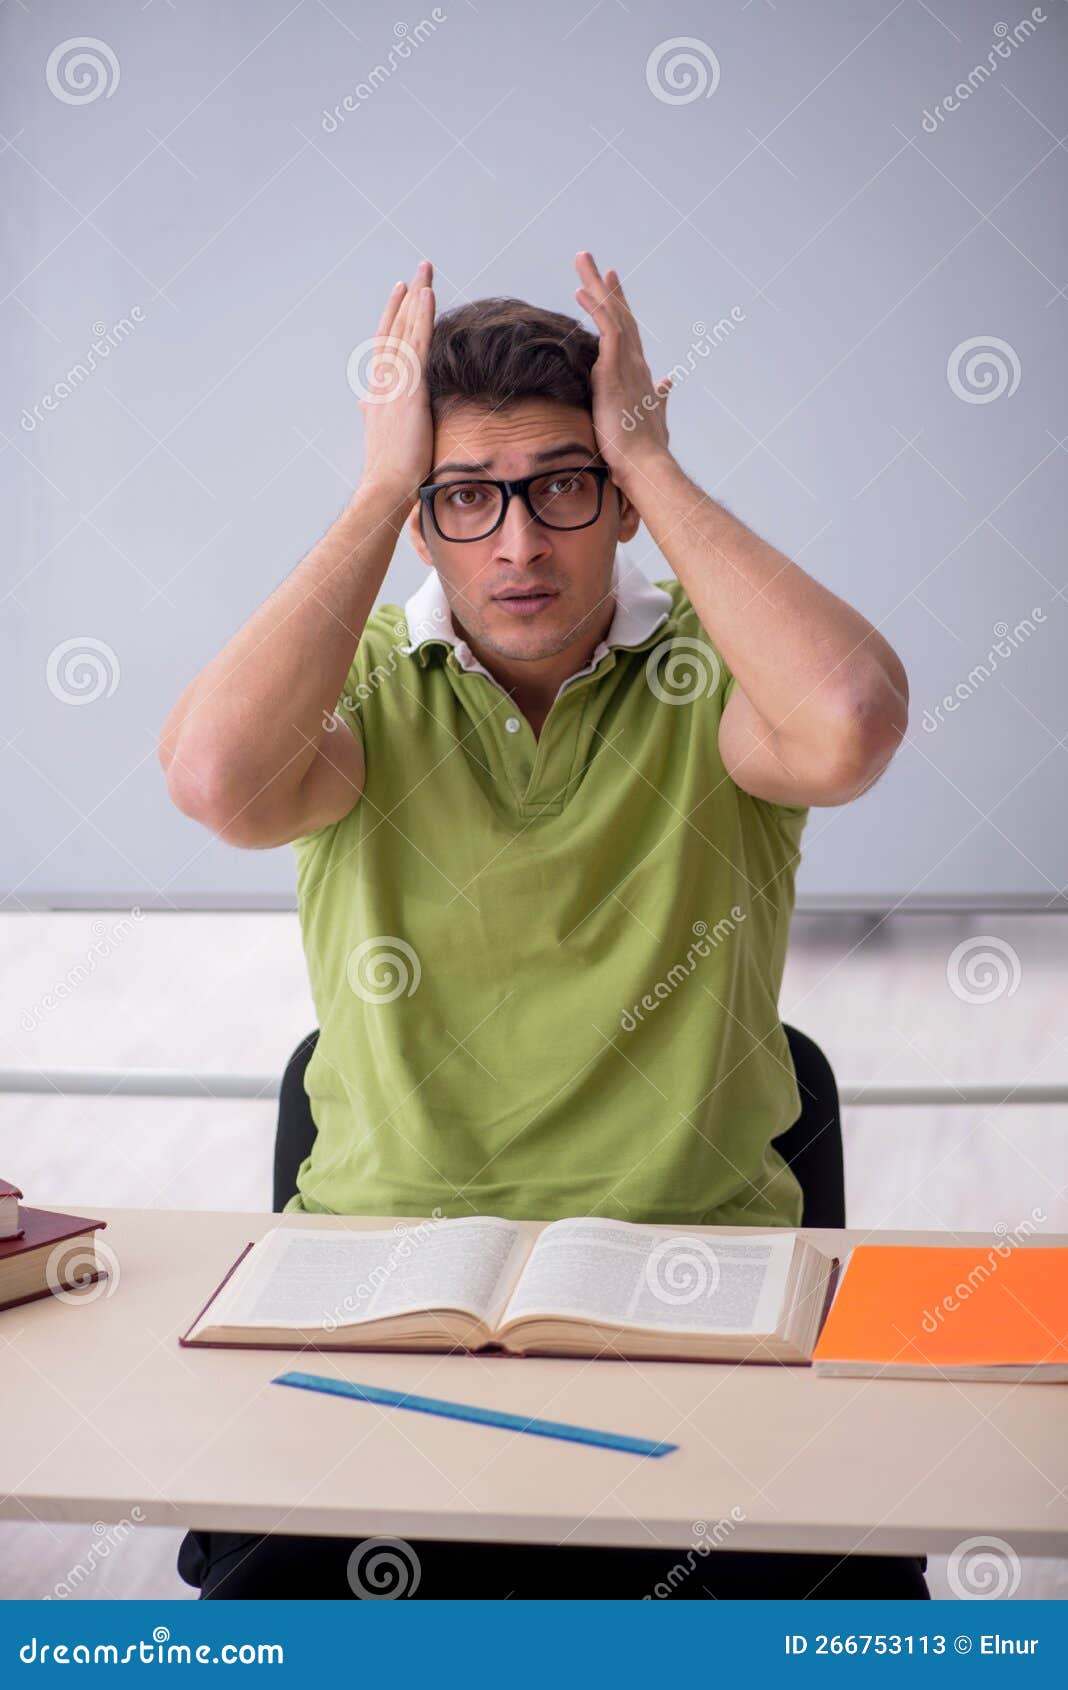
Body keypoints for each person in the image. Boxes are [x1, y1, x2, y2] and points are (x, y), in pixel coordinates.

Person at [161, 252, 920, 1599]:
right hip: (382, 1311)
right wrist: (371, 491)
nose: (518, 543)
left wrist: (654, 458)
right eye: (466, 497)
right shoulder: (364, 697)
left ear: (618, 501)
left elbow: (851, 715)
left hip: (695, 1303)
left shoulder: (710, 677)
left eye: (565, 487)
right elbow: (216, 777)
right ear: (424, 517)